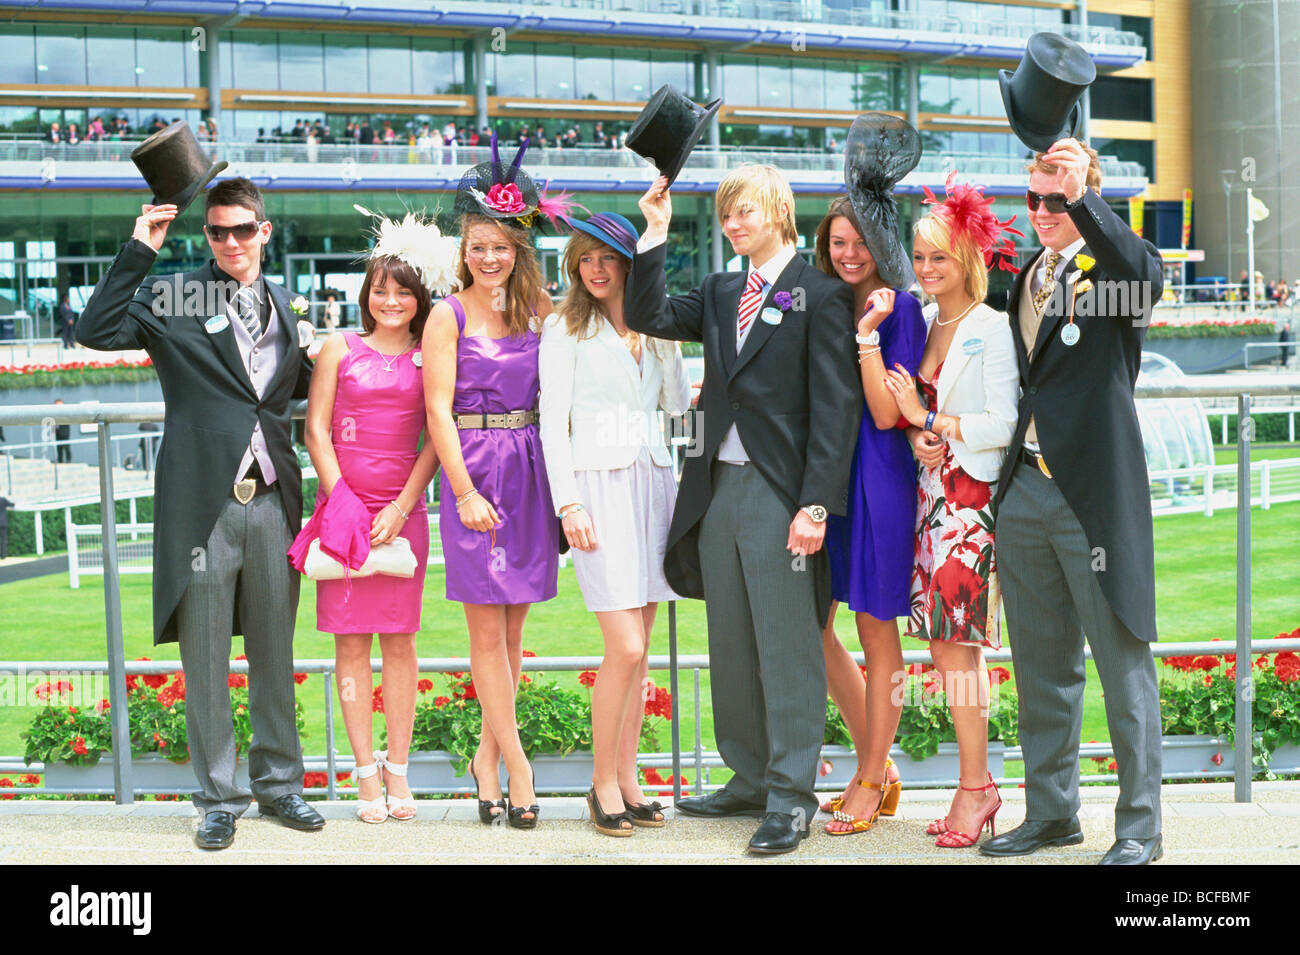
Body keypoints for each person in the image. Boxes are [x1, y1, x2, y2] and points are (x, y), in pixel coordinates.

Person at [76, 177, 321, 850]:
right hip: (203, 505)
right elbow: (95, 330)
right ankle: (218, 797)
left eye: (244, 229)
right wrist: (140, 250)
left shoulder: (281, 303)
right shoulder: (184, 291)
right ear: (206, 235)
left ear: (265, 231)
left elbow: (281, 389)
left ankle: (280, 787)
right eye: (219, 231)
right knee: (206, 657)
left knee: (276, 650)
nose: (232, 242)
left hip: (272, 497)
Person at [626, 166, 861, 855]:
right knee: (730, 640)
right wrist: (657, 231)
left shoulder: (821, 294)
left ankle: (790, 795)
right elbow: (647, 314)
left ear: (779, 211)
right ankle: (749, 774)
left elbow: (836, 408)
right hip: (717, 488)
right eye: (726, 214)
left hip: (782, 492)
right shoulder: (722, 289)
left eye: (745, 211)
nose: (733, 224)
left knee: (788, 645)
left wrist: (815, 504)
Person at [980, 139, 1166, 866]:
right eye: (1034, 197)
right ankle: (1052, 813)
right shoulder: (1027, 272)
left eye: (1057, 198)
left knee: (1123, 663)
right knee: (1041, 664)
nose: (1043, 210)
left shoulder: (1112, 268)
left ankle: (1141, 827)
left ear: (1085, 196)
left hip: (1093, 493)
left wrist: (1087, 199)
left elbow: (1147, 279)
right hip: (1024, 488)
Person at [423, 136, 569, 829]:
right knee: (485, 631)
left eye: (502, 246)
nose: (490, 257)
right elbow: (436, 412)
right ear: (465, 246)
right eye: (479, 245)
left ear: (519, 247)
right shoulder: (445, 315)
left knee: (512, 634)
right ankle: (520, 768)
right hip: (476, 471)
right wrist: (465, 491)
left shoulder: (541, 312)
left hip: (530, 470)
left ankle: (486, 759)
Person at [538, 212, 692, 836]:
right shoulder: (563, 329)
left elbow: (679, 410)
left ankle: (629, 780)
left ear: (631, 262)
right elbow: (552, 425)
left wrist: (666, 341)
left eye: (607, 258)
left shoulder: (656, 327)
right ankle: (601, 783)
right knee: (622, 647)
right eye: (585, 258)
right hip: (596, 491)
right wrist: (568, 504)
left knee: (641, 653)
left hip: (654, 484)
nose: (595, 269)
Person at [297, 212, 453, 823]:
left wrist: (400, 506)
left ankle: (399, 771)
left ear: (421, 298)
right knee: (351, 644)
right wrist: (346, 505)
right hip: (342, 511)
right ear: (367, 296)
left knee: (401, 644)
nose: (390, 300)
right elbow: (315, 430)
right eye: (380, 289)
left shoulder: (432, 355)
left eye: (403, 290)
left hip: (401, 513)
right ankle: (363, 774)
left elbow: (436, 439)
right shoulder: (339, 347)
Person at [880, 172, 1020, 849]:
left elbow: (1003, 422)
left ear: (967, 259)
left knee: (957, 654)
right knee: (943, 651)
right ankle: (975, 785)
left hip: (969, 513)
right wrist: (919, 433)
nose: (928, 267)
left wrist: (929, 416)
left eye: (940, 255)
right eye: (922, 255)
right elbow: (914, 421)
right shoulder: (925, 319)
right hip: (928, 506)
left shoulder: (990, 328)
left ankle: (976, 790)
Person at [812, 197, 925, 836]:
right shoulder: (826, 302)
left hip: (878, 478)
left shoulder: (900, 309)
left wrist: (867, 337)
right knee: (813, 625)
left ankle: (872, 774)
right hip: (826, 479)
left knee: (877, 633)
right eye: (837, 243)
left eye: (860, 243)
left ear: (883, 245)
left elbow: (886, 414)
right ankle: (875, 768)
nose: (849, 255)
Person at [52, 398, 72, 464]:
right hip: (58, 434)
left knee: (67, 448)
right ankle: (60, 461)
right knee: (59, 449)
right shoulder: (54, 414)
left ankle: (68, 461)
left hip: (65, 433)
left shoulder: (65, 413)